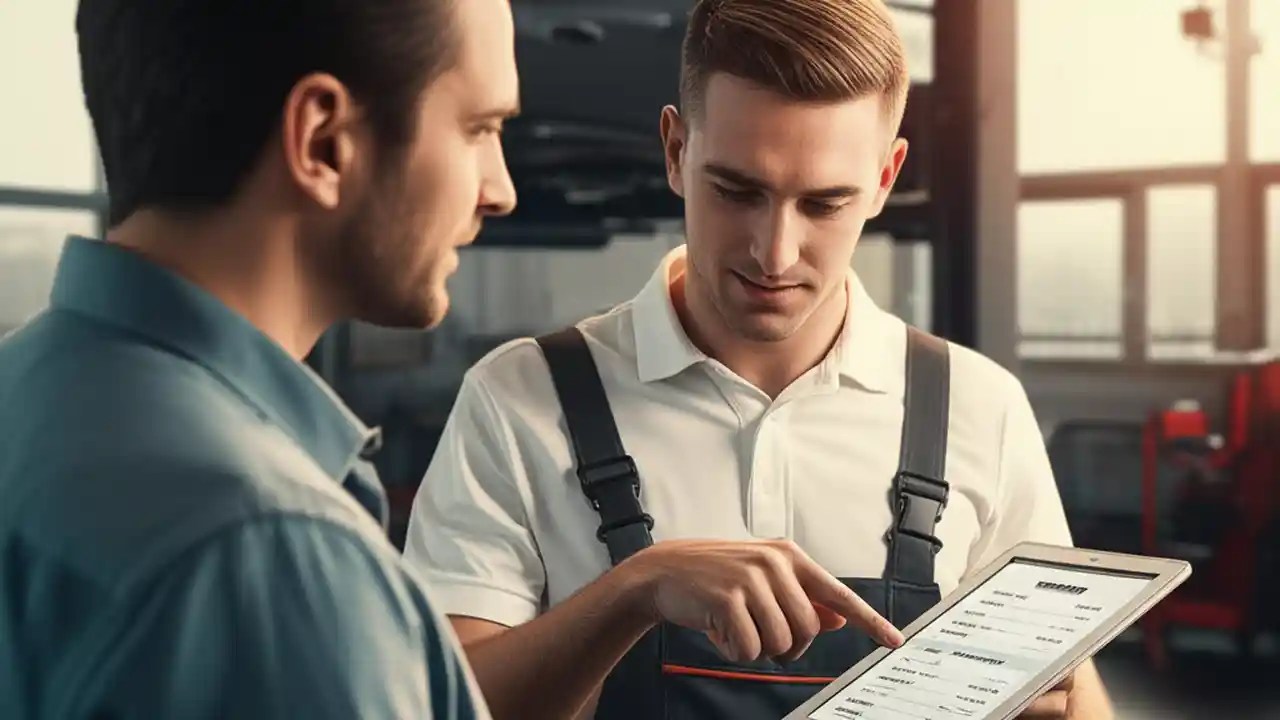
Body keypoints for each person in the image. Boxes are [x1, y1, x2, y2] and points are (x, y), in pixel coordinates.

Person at [403, 0, 1114, 718]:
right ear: (676, 151)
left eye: (824, 204)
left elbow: (1070, 695)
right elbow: (435, 703)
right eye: (738, 192)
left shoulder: (980, 408)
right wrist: (636, 590)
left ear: (885, 178)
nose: (774, 253)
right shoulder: (520, 399)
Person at [0, 0, 517, 717]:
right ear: (324, 142)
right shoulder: (275, 558)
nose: (500, 190)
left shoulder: (23, 393)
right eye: (479, 129)